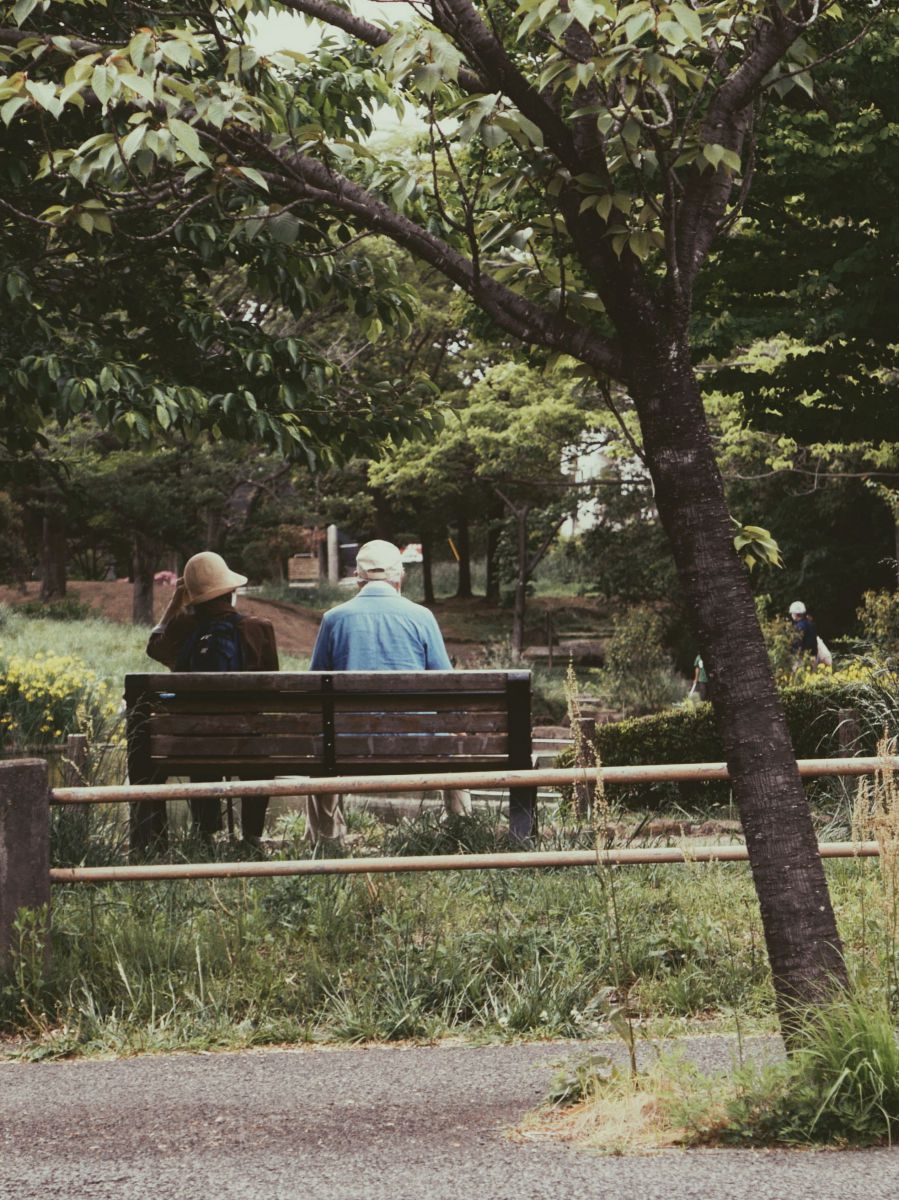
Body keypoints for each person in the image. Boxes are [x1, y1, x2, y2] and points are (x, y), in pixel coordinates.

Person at [307, 538, 471, 844]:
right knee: (453, 745)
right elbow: (447, 688)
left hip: (345, 745)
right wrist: (457, 726)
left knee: (322, 745)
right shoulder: (421, 617)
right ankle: (460, 830)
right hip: (417, 742)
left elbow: (313, 690)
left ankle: (328, 841)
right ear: (399, 576)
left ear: (358, 578)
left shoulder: (333, 619)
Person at [146, 550, 279, 844]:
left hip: (198, 745)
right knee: (255, 743)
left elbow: (154, 648)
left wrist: (175, 602)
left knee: (201, 737)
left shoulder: (183, 631)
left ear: (192, 597)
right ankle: (252, 837)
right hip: (249, 742)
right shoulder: (260, 628)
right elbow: (272, 689)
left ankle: (206, 832)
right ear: (230, 590)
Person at [788, 600, 818, 671]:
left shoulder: (799, 627)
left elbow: (796, 644)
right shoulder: (811, 624)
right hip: (813, 657)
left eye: (792, 613)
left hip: (802, 658)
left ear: (795, 614)